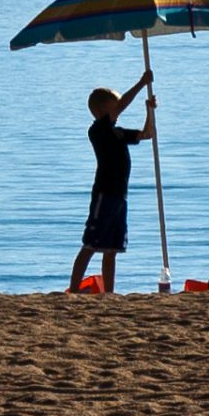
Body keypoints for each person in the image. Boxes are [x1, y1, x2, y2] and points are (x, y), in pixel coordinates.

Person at [67, 72, 154, 293]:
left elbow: (147, 134)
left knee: (112, 248)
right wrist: (141, 83)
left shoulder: (117, 132)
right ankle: (74, 289)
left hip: (120, 195)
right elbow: (123, 104)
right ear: (103, 110)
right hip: (104, 194)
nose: (118, 110)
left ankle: (109, 292)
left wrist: (149, 110)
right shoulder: (98, 130)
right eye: (113, 106)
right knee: (91, 244)